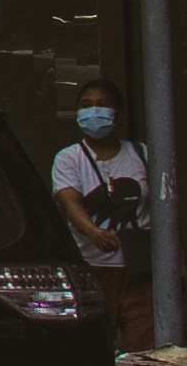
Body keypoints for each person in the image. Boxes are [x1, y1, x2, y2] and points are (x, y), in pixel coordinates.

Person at [50, 96, 154, 339]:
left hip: (139, 267)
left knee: (146, 342)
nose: (93, 111)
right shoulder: (69, 158)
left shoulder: (141, 154)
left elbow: (164, 210)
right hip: (94, 267)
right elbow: (69, 201)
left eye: (102, 104)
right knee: (95, 340)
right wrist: (93, 232)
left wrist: (178, 261)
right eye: (86, 105)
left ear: (117, 113)